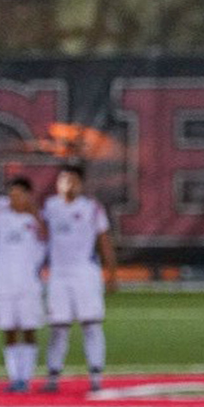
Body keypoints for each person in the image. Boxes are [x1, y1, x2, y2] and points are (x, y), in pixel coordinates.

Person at [41, 164, 118, 392]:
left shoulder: (91, 208)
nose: (68, 184)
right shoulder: (49, 207)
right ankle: (53, 376)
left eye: (73, 180)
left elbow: (104, 240)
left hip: (84, 272)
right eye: (64, 179)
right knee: (58, 326)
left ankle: (95, 375)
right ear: (57, 183)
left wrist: (111, 272)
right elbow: (42, 236)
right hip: (59, 274)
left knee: (91, 323)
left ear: (81, 183)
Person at [0, 176, 47, 392]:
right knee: (9, 330)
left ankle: (27, 375)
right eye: (12, 195)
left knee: (29, 329)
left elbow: (46, 241)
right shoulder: (1, 218)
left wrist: (35, 215)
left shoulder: (35, 219)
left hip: (28, 282)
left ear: (28, 196)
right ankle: (14, 375)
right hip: (5, 282)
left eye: (19, 195)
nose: (15, 199)